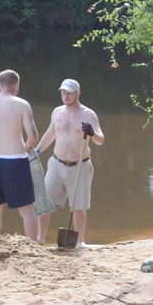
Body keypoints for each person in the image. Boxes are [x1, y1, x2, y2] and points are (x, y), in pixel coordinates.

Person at [36, 78, 105, 246]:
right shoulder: (57, 112)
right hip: (56, 164)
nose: (66, 96)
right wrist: (36, 151)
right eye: (63, 93)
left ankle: (80, 241)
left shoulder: (88, 114)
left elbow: (100, 140)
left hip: (80, 166)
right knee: (45, 202)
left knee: (78, 207)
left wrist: (91, 133)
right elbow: (50, 134)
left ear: (78, 94)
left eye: (69, 93)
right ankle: (40, 239)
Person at [0, 69, 41, 240]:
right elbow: (33, 136)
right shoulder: (22, 104)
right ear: (16, 85)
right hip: (16, 160)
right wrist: (26, 147)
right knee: (26, 208)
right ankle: (33, 247)